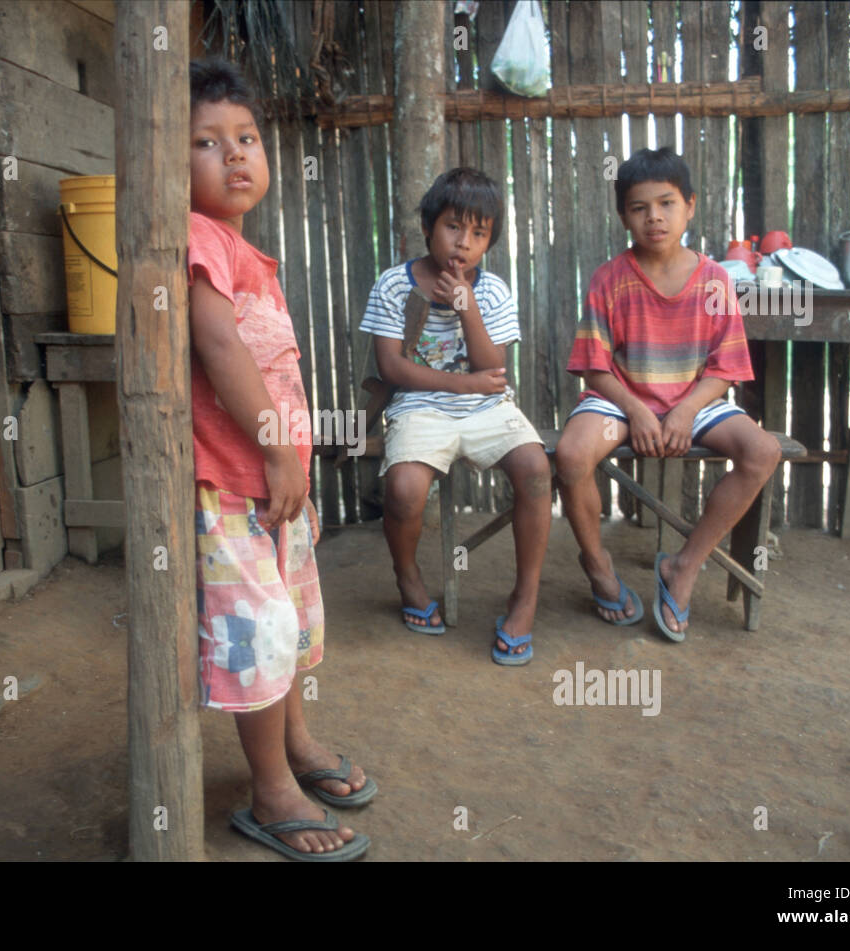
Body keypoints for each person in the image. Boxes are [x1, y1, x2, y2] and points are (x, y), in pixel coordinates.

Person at [187, 58, 374, 861]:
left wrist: (289, 467)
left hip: (272, 485)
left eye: (247, 138)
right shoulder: (195, 238)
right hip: (230, 483)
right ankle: (268, 793)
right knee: (259, 634)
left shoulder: (243, 250)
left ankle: (296, 743)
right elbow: (220, 345)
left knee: (290, 626)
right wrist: (274, 450)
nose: (235, 155)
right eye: (205, 141)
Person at [555, 147, 781, 641]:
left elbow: (726, 368)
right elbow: (594, 367)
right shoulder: (608, 280)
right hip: (619, 399)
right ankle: (596, 564)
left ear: (690, 206)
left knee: (763, 451)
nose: (653, 217)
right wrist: (636, 409)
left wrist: (684, 411)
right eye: (639, 207)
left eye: (666, 203)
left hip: (693, 401)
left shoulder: (716, 279)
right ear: (623, 216)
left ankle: (684, 565)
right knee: (571, 455)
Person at [360, 167, 552, 666]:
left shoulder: (492, 291)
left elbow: (495, 369)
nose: (463, 243)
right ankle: (409, 577)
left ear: (490, 240)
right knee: (403, 492)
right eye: (453, 226)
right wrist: (461, 382)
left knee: (535, 470)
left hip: (487, 408)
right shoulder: (393, 285)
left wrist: (466, 306)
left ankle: (524, 598)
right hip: (419, 406)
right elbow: (392, 367)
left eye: (479, 233)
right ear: (428, 225)